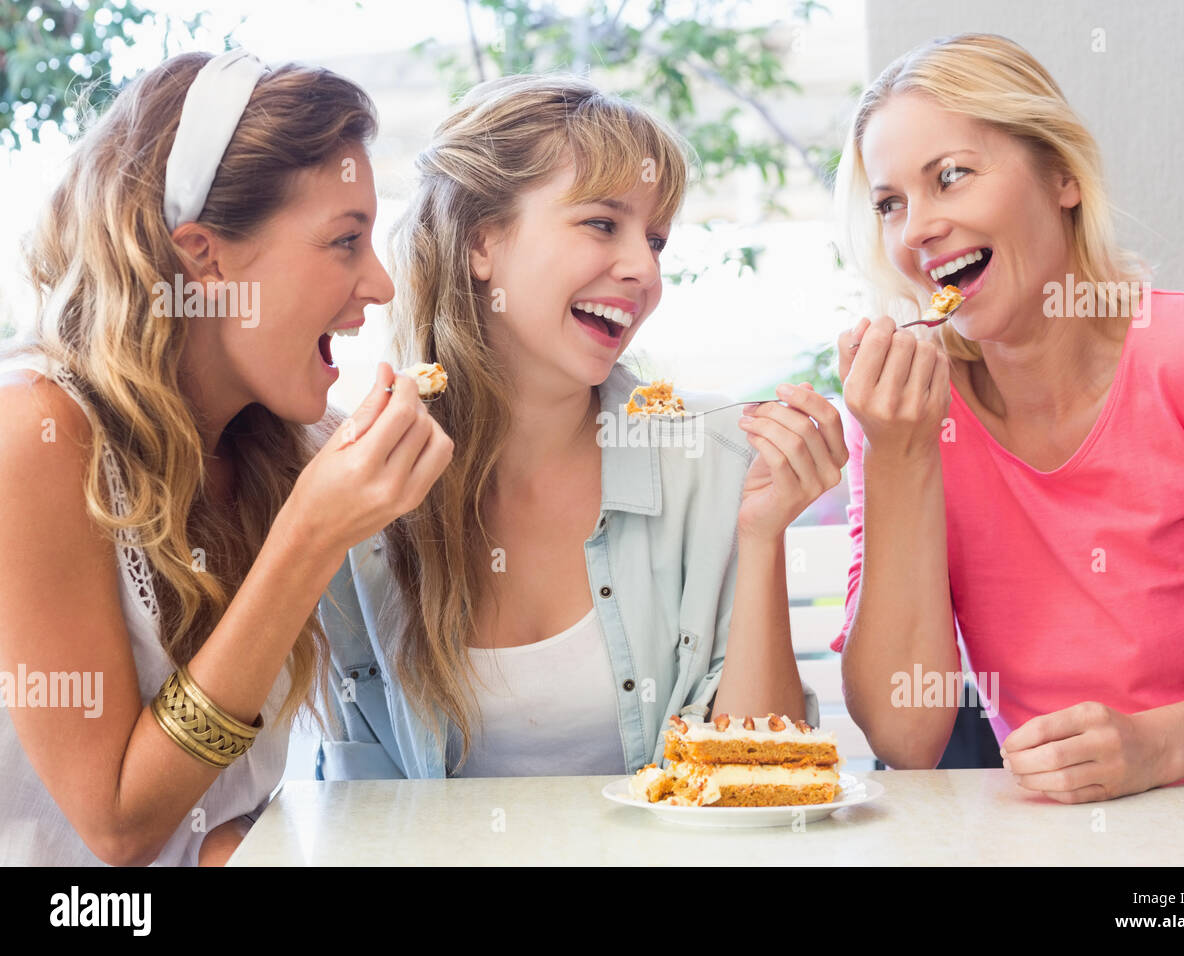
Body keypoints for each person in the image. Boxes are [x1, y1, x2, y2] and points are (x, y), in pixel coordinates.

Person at [831, 33, 1184, 837]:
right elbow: (907, 738)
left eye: (951, 176)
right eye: (889, 204)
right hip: (1063, 844)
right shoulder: (907, 415)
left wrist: (1158, 746)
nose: (916, 230)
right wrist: (901, 458)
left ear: (1063, 179)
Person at [318, 73, 846, 780]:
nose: (644, 270)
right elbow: (360, 802)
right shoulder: (361, 489)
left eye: (655, 240)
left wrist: (762, 535)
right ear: (480, 243)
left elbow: (762, 779)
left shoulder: (716, 459)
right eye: (602, 224)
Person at [0, 50, 451, 865]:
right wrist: (308, 539)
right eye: (345, 241)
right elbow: (119, 826)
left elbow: (223, 818)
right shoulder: (36, 433)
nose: (381, 285)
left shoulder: (288, 446)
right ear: (205, 257)